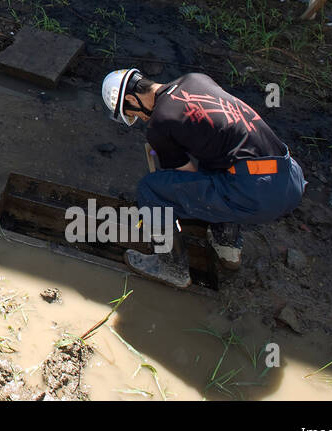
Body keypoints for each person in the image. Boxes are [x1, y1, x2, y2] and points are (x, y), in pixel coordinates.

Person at [100, 68, 306, 289]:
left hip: (257, 193)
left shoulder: (159, 123)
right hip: (290, 176)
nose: (138, 118)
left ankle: (170, 267)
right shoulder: (196, 79)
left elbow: (186, 178)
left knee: (152, 190)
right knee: (216, 166)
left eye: (131, 113)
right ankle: (227, 247)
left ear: (132, 98)